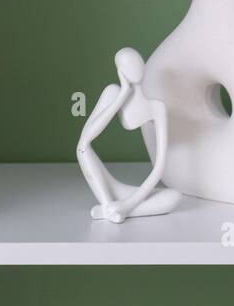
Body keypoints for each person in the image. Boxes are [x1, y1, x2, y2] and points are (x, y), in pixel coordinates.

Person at [76, 48, 181, 222]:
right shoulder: (112, 92)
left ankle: (112, 211)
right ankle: (107, 204)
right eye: (128, 64)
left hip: (127, 195)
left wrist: (127, 205)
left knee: (174, 197)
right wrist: (122, 94)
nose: (136, 67)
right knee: (82, 149)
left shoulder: (156, 107)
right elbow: (85, 141)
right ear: (120, 70)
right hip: (106, 186)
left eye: (138, 61)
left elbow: (159, 167)